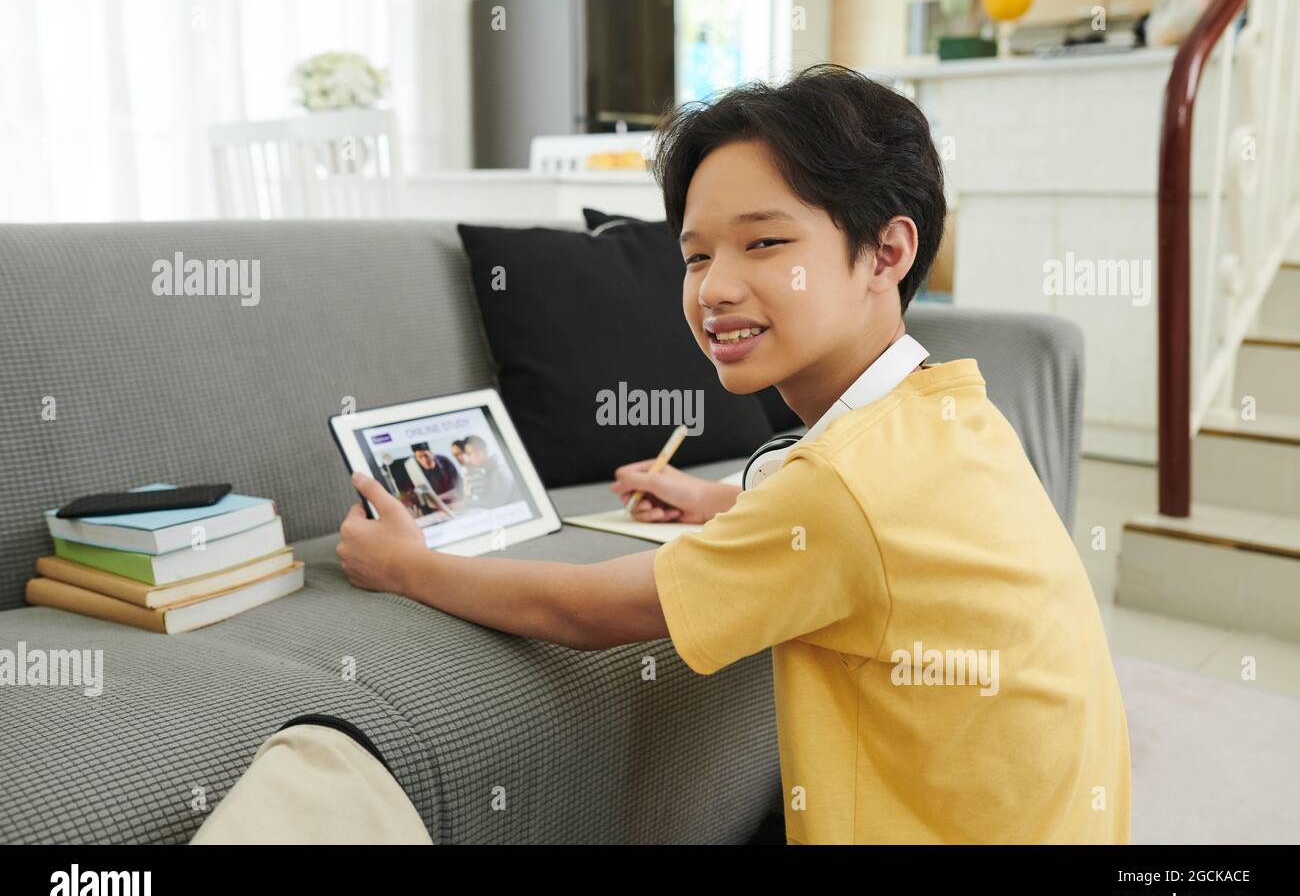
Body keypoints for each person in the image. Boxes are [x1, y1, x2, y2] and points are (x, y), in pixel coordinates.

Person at [336, 64, 1131, 844]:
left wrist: (411, 568)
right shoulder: (951, 410)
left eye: (765, 243)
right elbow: (881, 534)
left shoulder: (840, 488)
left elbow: (592, 610)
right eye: (696, 255)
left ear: (886, 254)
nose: (714, 288)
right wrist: (720, 501)